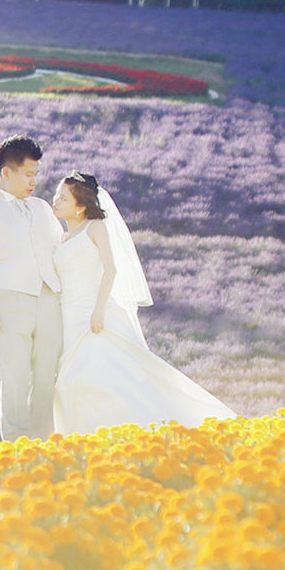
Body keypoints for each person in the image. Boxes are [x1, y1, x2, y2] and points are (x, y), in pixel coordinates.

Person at [49, 172, 235, 435]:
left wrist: (98, 310)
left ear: (81, 207)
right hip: (67, 315)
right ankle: (83, 440)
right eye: (57, 194)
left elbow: (110, 269)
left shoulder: (95, 228)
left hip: (93, 313)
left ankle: (125, 432)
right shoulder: (61, 237)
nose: (56, 200)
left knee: (97, 377)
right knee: (69, 383)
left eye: (63, 198)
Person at [0, 135, 63, 439]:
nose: (35, 181)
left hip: (49, 301)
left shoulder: (43, 208)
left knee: (48, 381)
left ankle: (45, 450)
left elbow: (62, 250)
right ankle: (17, 455)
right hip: (10, 304)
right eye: (29, 174)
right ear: (7, 172)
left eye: (37, 174)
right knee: (15, 383)